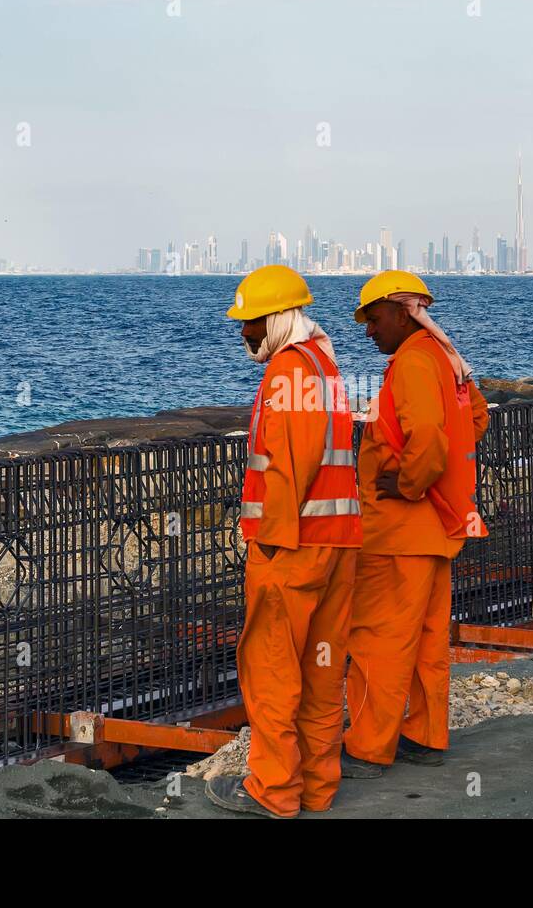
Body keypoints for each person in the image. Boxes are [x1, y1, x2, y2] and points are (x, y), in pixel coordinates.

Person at [207, 264, 362, 818]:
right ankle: (318, 788)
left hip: (291, 548)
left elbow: (288, 465)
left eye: (249, 322)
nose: (243, 333)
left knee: (273, 669)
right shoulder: (325, 363)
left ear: (275, 318)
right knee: (323, 669)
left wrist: (270, 542)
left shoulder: (287, 371)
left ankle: (274, 791)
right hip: (338, 541)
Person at [342, 270, 489, 777]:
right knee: (426, 641)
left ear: (403, 312)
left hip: (397, 531)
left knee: (377, 640)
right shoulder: (445, 359)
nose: (368, 331)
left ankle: (367, 746)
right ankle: (425, 734)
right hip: (436, 527)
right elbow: (475, 420)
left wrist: (405, 483)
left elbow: (427, 435)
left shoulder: (411, 364)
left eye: (374, 319)